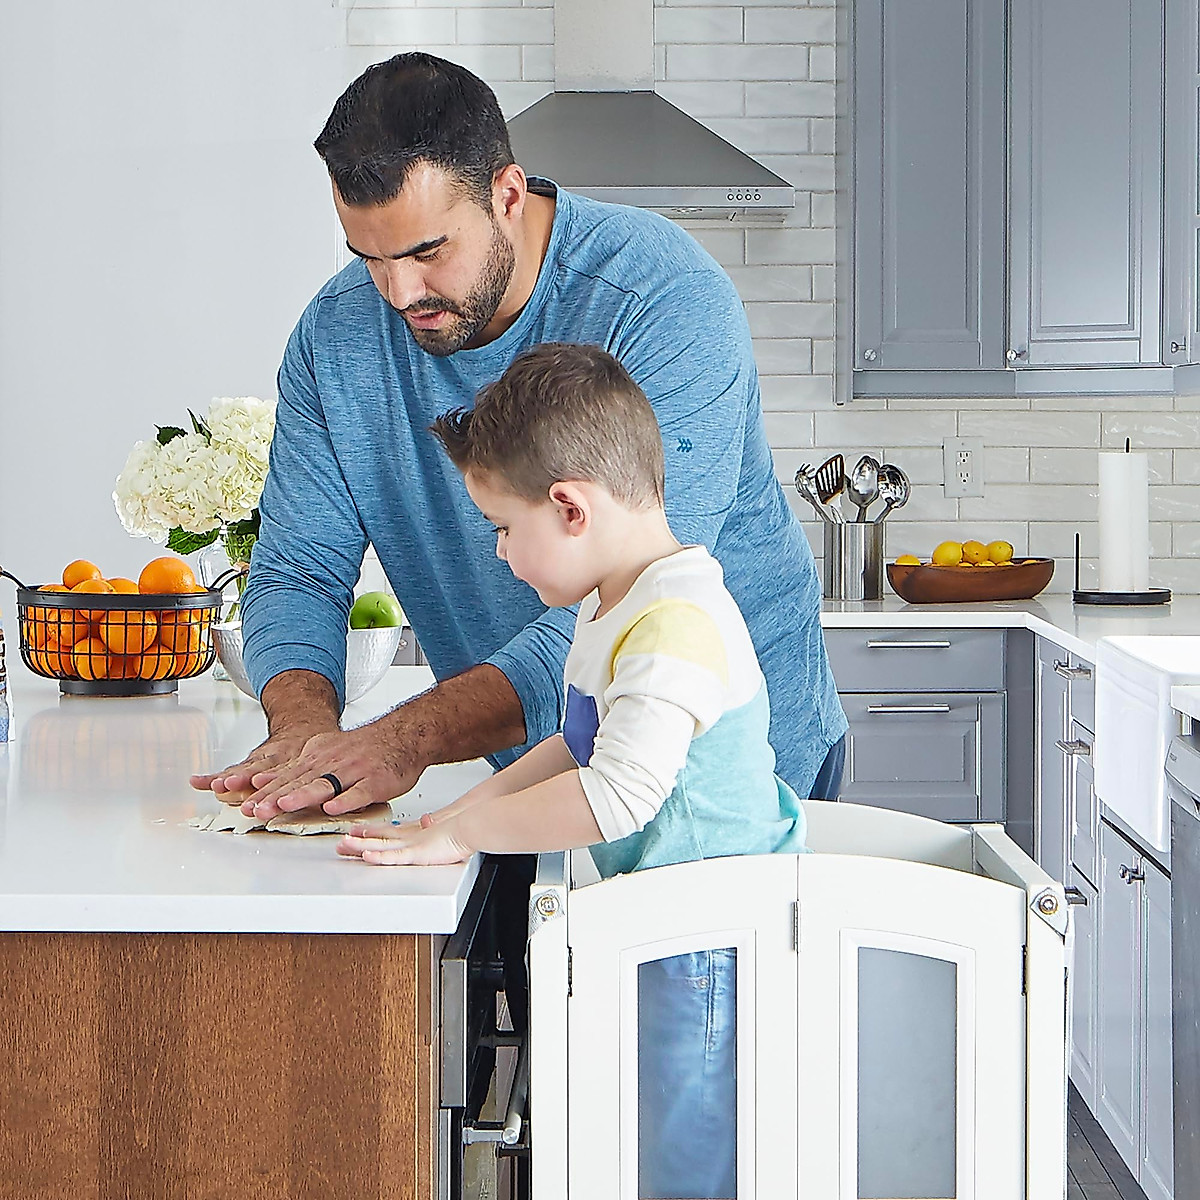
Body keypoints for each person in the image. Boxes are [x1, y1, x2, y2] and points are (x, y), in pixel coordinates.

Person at [189, 52, 847, 1027]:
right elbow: (295, 569)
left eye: (427, 251)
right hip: (548, 770)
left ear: (507, 192)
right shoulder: (337, 339)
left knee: (713, 1078)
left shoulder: (662, 300)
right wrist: (307, 737)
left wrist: (403, 743)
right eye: (368, 257)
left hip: (723, 787)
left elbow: (620, 601)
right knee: (587, 1076)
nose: (398, 291)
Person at [338, 343, 808, 1199]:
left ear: (570, 507)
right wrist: (447, 826)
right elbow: (575, 746)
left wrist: (466, 832)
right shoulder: (619, 602)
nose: (502, 556)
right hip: (666, 927)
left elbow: (618, 796)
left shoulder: (675, 621)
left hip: (705, 943)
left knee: (686, 1165)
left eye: (505, 530)